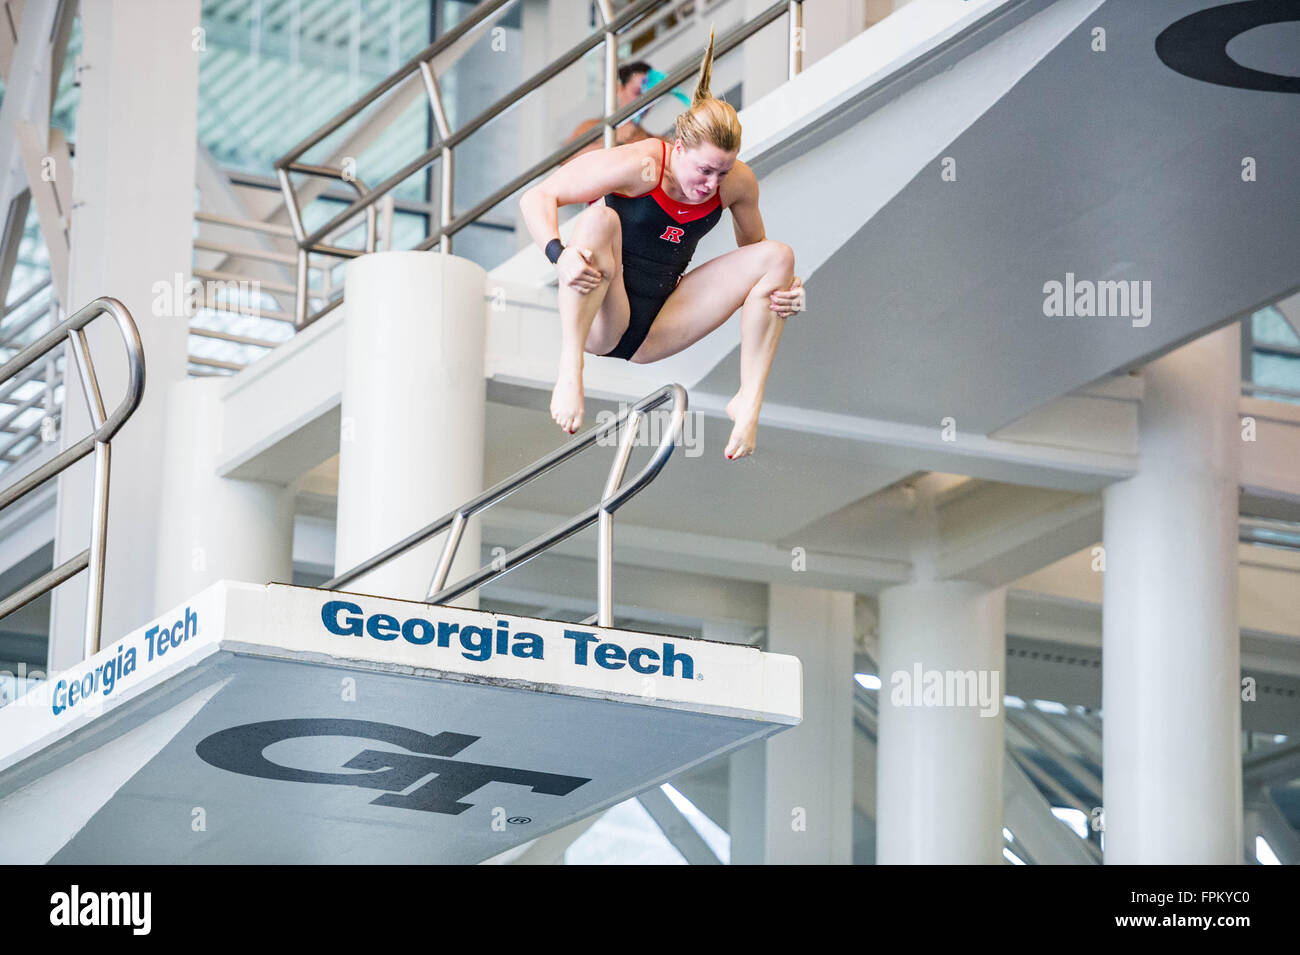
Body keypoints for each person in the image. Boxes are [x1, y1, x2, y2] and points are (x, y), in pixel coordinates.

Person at [519, 28, 804, 461]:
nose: (711, 186)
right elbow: (537, 197)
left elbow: (756, 260)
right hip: (603, 316)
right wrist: (559, 257)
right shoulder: (642, 165)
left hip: (659, 326)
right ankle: (569, 365)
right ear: (679, 147)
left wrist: (787, 292)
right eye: (705, 170)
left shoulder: (736, 185)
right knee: (598, 219)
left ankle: (748, 398)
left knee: (779, 256)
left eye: (722, 174)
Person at [565, 61, 654, 156]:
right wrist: (612, 139)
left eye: (650, 95)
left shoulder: (652, 140)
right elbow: (566, 159)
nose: (645, 100)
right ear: (619, 89)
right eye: (637, 92)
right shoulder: (590, 128)